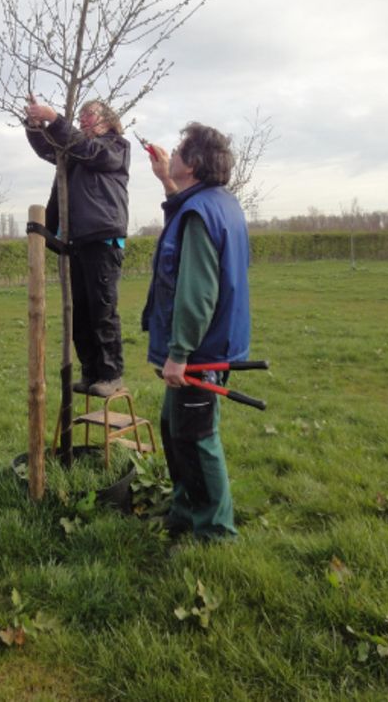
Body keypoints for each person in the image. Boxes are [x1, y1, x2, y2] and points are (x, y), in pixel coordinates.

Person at [141, 123, 250, 540]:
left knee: (198, 437)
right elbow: (185, 212)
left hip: (201, 348)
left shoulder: (201, 213)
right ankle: (186, 511)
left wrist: (180, 351)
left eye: (181, 151)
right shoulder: (217, 202)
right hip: (213, 341)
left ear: (196, 164)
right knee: (175, 428)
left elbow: (197, 292)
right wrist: (167, 180)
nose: (174, 153)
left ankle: (215, 532)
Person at [25, 98, 130, 396]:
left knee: (102, 309)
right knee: (80, 312)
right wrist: (36, 126)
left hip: (103, 237)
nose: (83, 121)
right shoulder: (76, 152)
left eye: (89, 116)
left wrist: (56, 118)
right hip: (78, 240)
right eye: (80, 117)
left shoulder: (115, 147)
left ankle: (112, 374)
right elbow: (49, 149)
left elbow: (90, 151)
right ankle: (91, 373)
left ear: (108, 122)